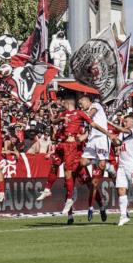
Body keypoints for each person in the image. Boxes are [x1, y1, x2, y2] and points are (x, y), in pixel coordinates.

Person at [36, 94, 92, 225]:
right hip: (62, 146)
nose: (61, 105)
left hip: (74, 152)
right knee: (55, 168)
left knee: (78, 178)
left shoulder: (79, 117)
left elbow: (89, 125)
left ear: (67, 103)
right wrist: (60, 120)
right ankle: (48, 191)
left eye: (63, 103)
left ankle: (78, 202)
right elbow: (55, 126)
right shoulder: (64, 118)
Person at [78, 92, 110, 223]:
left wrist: (77, 115)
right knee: (82, 162)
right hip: (92, 141)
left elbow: (89, 114)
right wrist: (75, 141)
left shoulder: (96, 106)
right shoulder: (86, 117)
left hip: (101, 139)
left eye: (81, 104)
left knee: (96, 180)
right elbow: (86, 134)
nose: (80, 106)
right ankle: (97, 160)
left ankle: (106, 165)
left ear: (87, 101)